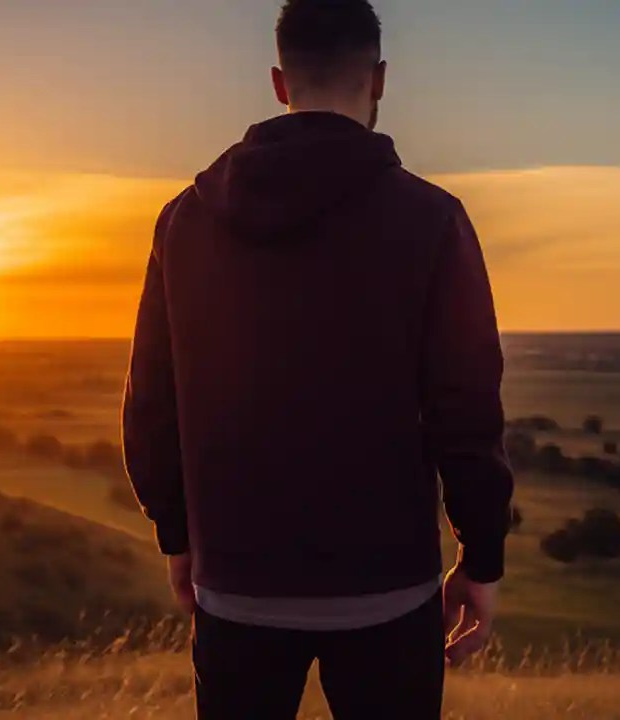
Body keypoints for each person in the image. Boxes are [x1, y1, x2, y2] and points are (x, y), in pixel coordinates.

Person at [122, 0, 513, 717]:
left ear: (279, 82)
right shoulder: (432, 219)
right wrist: (481, 557)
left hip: (236, 584)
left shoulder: (184, 221)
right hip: (390, 591)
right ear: (381, 78)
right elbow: (466, 411)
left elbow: (152, 402)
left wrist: (178, 537)